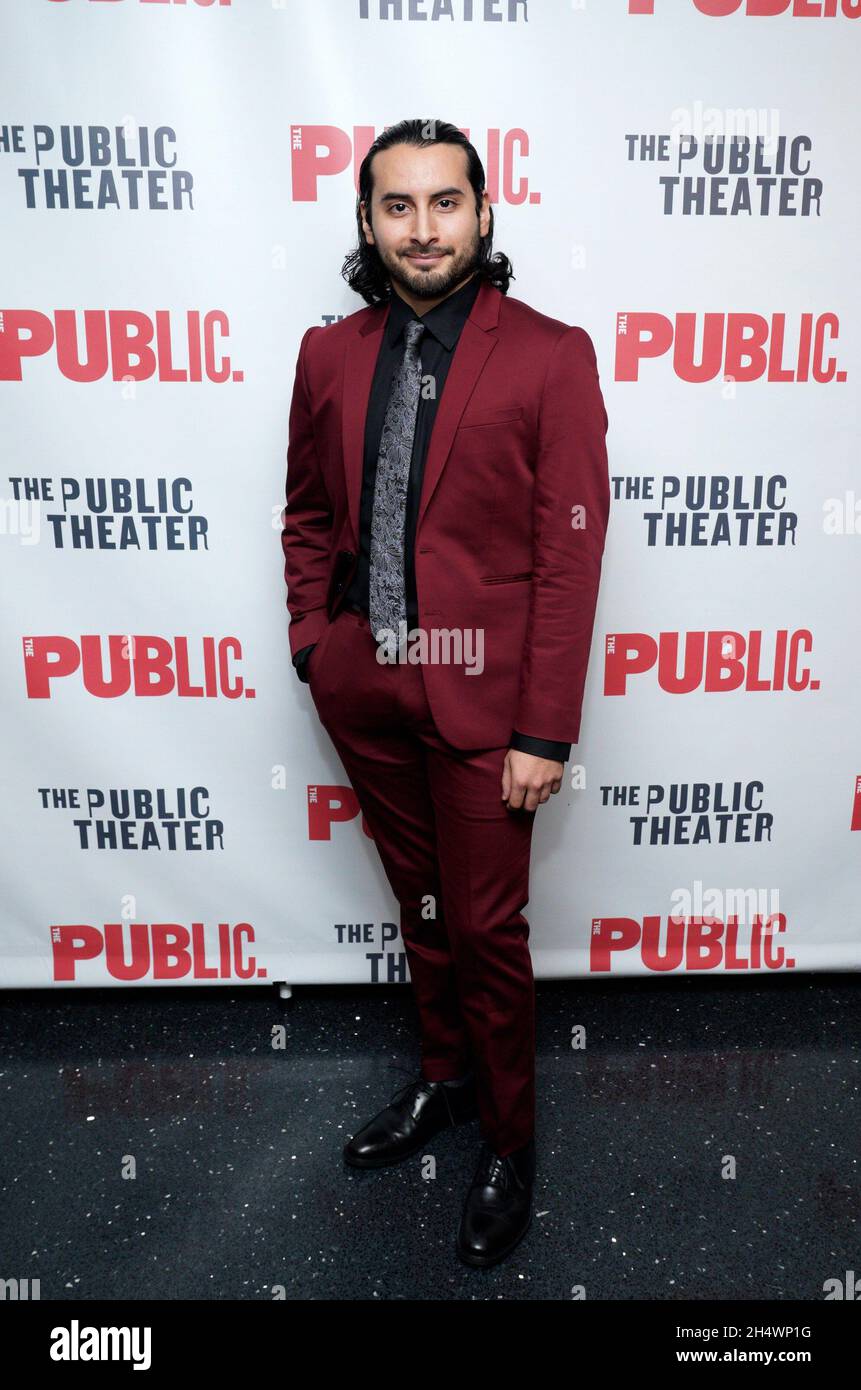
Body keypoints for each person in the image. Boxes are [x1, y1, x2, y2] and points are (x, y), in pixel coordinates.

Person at [281, 118, 610, 1267]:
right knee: (419, 912)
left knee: (486, 927)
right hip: (366, 686)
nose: (422, 229)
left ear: (484, 211)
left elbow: (569, 556)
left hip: (489, 703)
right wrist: (315, 644)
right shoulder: (329, 354)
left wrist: (542, 727)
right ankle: (441, 1079)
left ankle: (511, 1140)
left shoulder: (551, 354)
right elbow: (311, 514)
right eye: (397, 206)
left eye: (444, 203)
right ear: (367, 222)